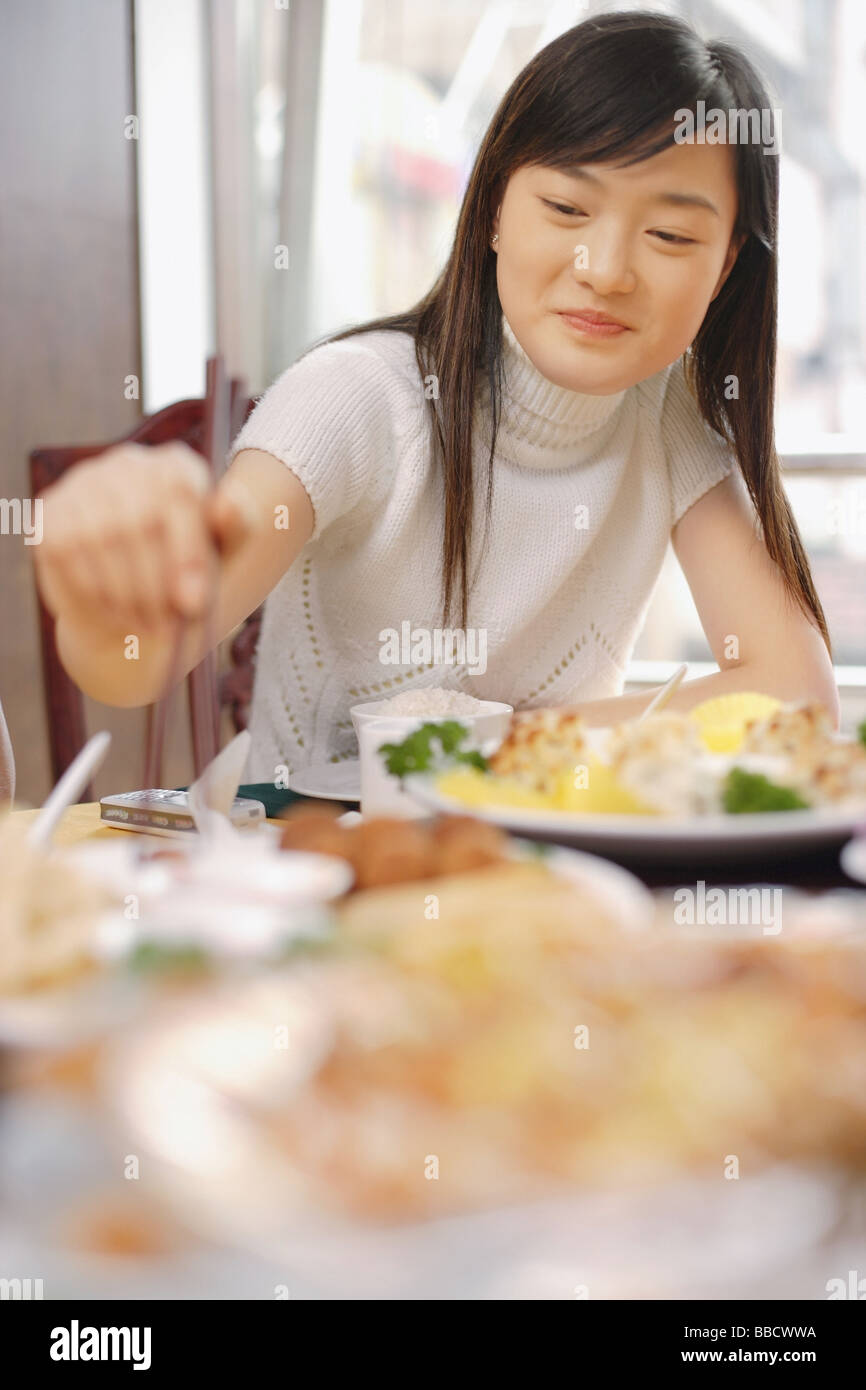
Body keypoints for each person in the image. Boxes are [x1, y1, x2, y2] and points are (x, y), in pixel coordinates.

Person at [33, 11, 840, 785]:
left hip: (530, 863)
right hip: (300, 854)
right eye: (566, 208)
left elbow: (794, 694)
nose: (606, 268)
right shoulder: (356, 396)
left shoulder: (670, 420)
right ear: (493, 208)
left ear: (726, 264)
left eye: (670, 236)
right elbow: (137, 665)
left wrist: (483, 745)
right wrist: (109, 590)